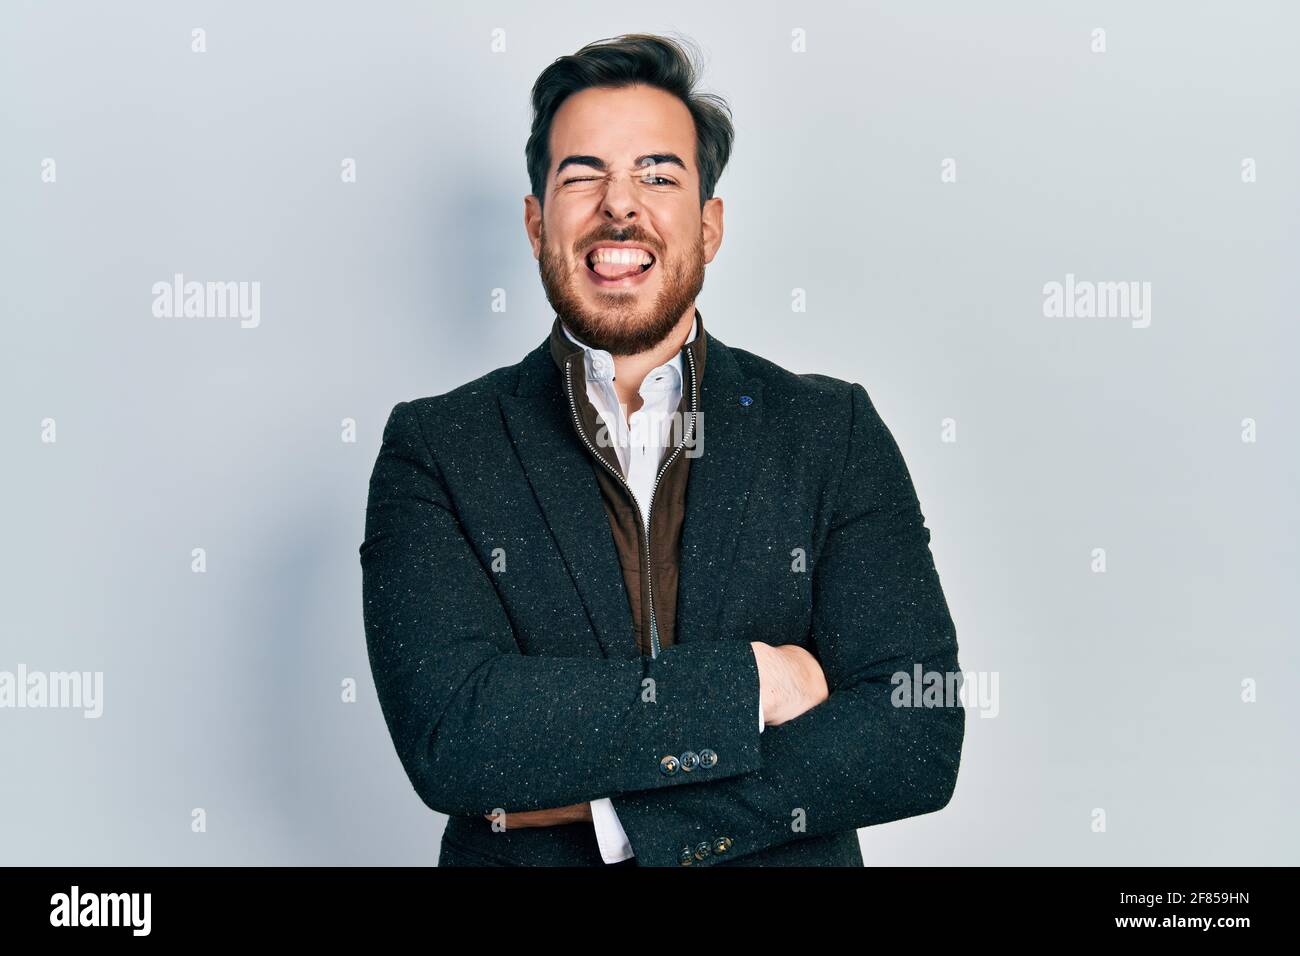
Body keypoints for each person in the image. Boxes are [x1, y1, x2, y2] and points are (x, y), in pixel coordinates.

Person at [360, 33, 964, 867]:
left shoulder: (831, 430)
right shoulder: (436, 447)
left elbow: (915, 733)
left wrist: (615, 816)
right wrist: (754, 682)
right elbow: (455, 737)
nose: (620, 206)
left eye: (657, 175)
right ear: (536, 223)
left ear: (709, 227)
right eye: (583, 176)